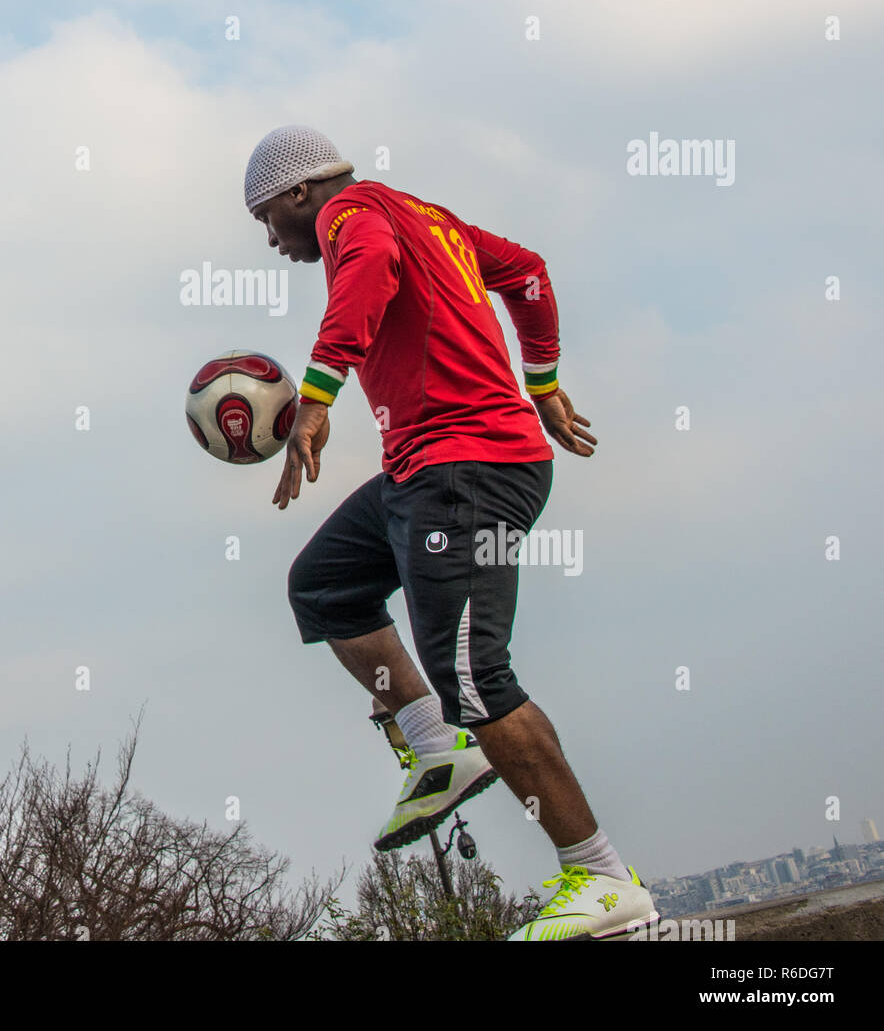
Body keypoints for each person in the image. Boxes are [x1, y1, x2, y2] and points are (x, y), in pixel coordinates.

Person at [244, 124, 657, 941]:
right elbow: (530, 275)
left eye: (266, 218)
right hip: (424, 470)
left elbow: (364, 275)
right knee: (325, 584)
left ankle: (605, 880)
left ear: (299, 193)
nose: (270, 239)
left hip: (466, 468)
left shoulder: (350, 215)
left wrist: (320, 395)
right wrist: (541, 380)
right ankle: (438, 746)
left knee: (473, 673)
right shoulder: (427, 216)